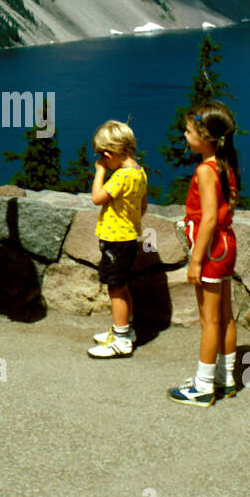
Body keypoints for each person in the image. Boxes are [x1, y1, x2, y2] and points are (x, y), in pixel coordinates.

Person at [168, 103, 242, 405]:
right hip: (226, 245)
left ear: (205, 136)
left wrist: (196, 260)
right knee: (224, 316)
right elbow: (228, 208)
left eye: (188, 131)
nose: (185, 135)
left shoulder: (204, 170)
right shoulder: (226, 165)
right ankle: (225, 379)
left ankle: (202, 386)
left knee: (208, 319)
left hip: (210, 249)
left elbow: (208, 217)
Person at [87, 120, 149, 359]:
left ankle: (121, 340)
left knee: (115, 287)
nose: (104, 162)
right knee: (123, 286)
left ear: (108, 154)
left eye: (103, 158)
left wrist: (100, 172)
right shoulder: (139, 173)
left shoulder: (121, 177)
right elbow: (142, 206)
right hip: (129, 237)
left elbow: (97, 198)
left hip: (115, 240)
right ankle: (125, 329)